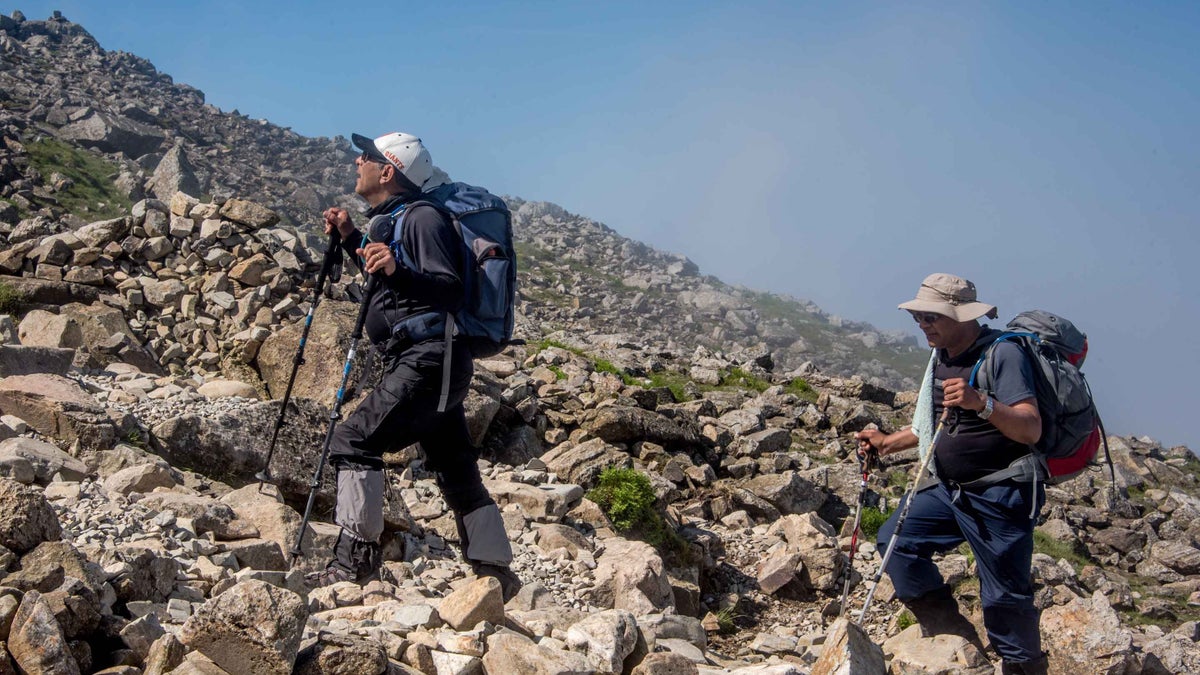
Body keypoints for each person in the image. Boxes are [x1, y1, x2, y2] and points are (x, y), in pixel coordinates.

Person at [306, 131, 520, 600]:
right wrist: (350, 239)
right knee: (453, 464)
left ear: (388, 171)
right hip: (425, 359)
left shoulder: (422, 217)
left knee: (353, 438)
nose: (357, 161)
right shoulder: (396, 220)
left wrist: (396, 269)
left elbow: (447, 289)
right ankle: (495, 568)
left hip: (430, 358)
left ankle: (355, 561)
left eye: (366, 156)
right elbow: (393, 280)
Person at [854, 273, 1048, 675]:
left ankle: (1023, 668)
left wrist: (983, 404)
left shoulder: (1003, 354)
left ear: (960, 316)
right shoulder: (940, 354)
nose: (923, 325)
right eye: (919, 319)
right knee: (896, 543)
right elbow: (932, 425)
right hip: (949, 489)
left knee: (1004, 597)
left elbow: (1030, 428)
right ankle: (954, 636)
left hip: (1001, 492)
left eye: (931, 318)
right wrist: (886, 443)